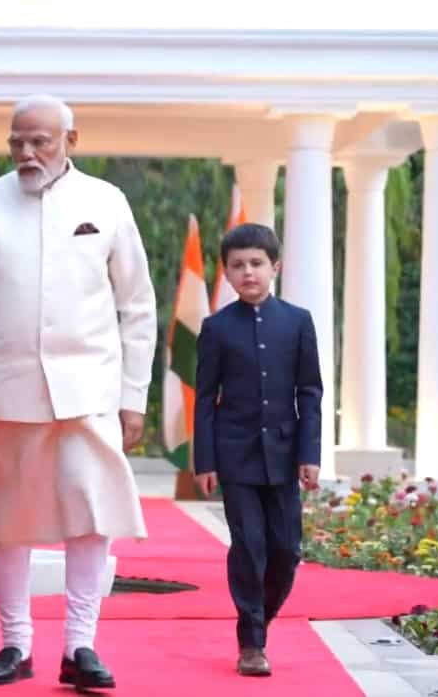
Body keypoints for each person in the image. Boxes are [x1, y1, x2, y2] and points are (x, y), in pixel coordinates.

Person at [0, 94, 157, 690]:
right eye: (17, 143)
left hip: (87, 390)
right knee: (6, 521)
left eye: (41, 141)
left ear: (70, 141)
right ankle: (15, 644)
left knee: (90, 514)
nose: (28, 153)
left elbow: (137, 304)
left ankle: (81, 644)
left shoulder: (105, 202)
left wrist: (134, 393)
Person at [192, 223, 323, 678]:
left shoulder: (298, 322)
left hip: (285, 455)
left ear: (275, 267)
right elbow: (205, 398)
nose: (248, 272)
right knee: (248, 546)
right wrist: (204, 461)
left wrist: (310, 454)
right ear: (225, 274)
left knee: (286, 550)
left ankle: (258, 617)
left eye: (256, 263)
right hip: (236, 454)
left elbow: (310, 392)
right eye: (238, 265)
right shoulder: (216, 328)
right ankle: (252, 642)